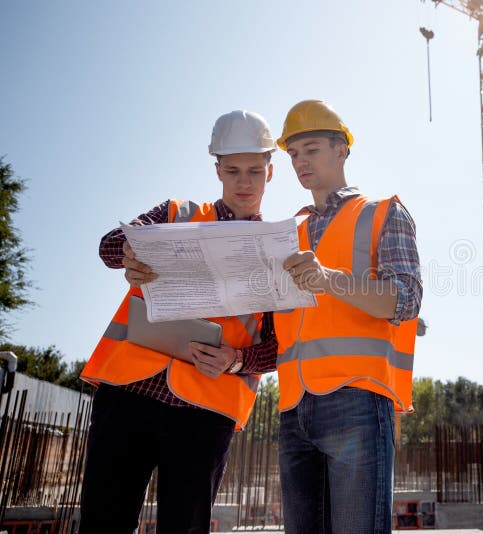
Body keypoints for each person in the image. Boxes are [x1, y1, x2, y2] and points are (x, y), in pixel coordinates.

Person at [79, 110, 279, 533]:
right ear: (217, 170)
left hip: (206, 410)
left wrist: (237, 360)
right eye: (233, 171)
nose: (244, 183)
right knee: (102, 521)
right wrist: (130, 257)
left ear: (270, 173)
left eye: (255, 172)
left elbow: (279, 347)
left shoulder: (276, 250)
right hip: (130, 393)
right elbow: (110, 246)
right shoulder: (177, 212)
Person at [274, 100, 422, 533]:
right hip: (292, 407)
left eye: (311, 149)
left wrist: (330, 280)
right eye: (293, 154)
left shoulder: (382, 213)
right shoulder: (285, 233)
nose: (300, 161)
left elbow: (406, 299)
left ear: (342, 150)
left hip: (356, 400)